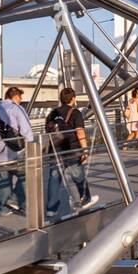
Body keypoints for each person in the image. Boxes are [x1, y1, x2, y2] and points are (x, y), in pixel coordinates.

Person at [44, 86, 99, 217]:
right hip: (72, 150)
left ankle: (51, 209)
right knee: (78, 176)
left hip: (55, 151)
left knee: (54, 179)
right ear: (73, 99)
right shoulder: (76, 113)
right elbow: (80, 131)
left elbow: (47, 132)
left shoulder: (52, 114)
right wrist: (84, 150)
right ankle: (85, 199)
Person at [0, 85, 33, 215]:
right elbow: (26, 131)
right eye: (20, 97)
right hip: (14, 151)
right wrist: (30, 147)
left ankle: (3, 209)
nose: (20, 100)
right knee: (27, 175)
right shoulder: (16, 108)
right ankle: (15, 200)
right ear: (16, 96)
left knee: (3, 180)